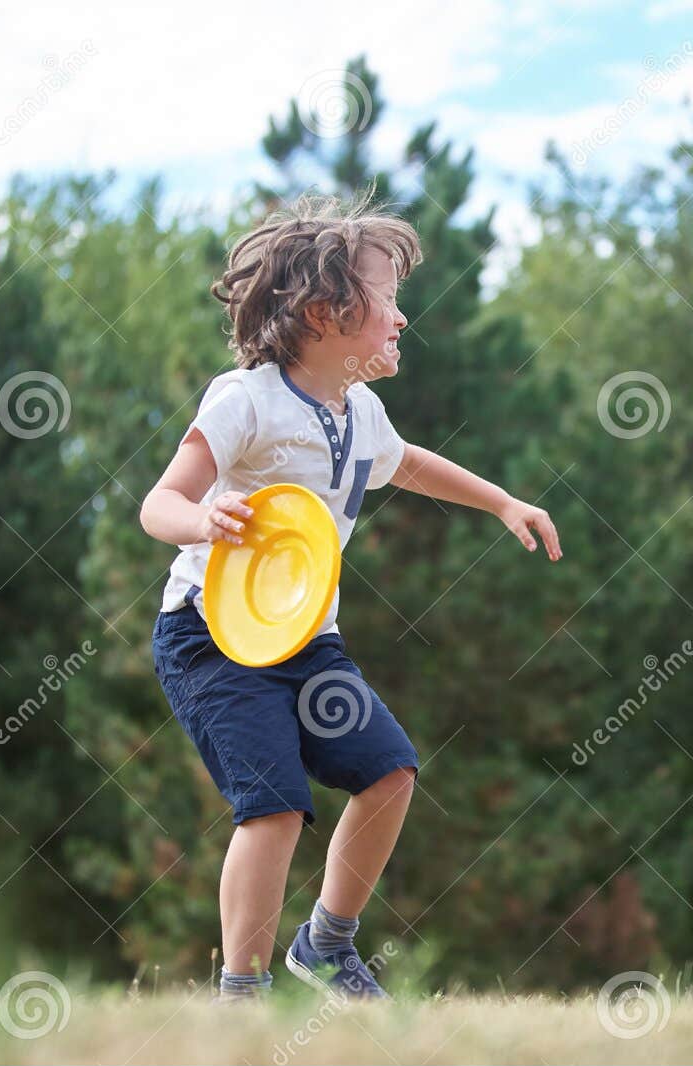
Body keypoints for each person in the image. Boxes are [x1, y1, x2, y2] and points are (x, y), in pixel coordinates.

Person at [141, 194, 561, 1001]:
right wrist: (203, 519)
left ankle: (327, 943)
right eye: (388, 299)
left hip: (306, 639)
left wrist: (502, 501)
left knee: (389, 770)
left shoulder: (360, 411)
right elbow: (158, 504)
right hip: (212, 635)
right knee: (273, 806)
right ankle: (241, 994)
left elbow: (409, 464)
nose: (402, 318)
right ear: (325, 312)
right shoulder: (246, 399)